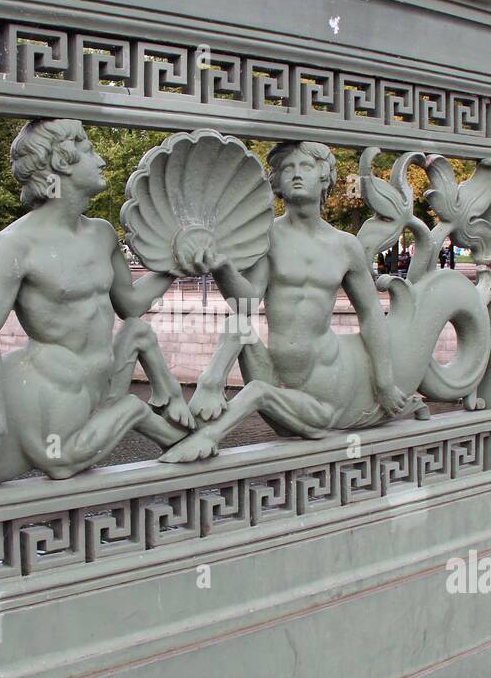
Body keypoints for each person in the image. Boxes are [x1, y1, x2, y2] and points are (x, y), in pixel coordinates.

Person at [0, 119, 194, 481]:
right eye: (89, 150)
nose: (100, 161)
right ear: (61, 162)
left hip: (104, 378)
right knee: (60, 461)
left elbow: (130, 305)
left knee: (137, 331)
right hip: (58, 389)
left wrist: (175, 266)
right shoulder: (14, 246)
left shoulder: (101, 233)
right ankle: (137, 412)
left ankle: (159, 406)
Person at [161, 140, 416, 462]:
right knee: (239, 324)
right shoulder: (268, 237)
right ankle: (209, 385)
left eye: (306, 167)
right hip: (274, 371)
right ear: (277, 181)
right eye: (287, 169)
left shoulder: (345, 245)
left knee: (256, 393)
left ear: (325, 177)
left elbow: (370, 315)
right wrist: (223, 268)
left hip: (324, 389)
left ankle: (208, 436)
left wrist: (384, 381)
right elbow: (247, 301)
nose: (296, 175)